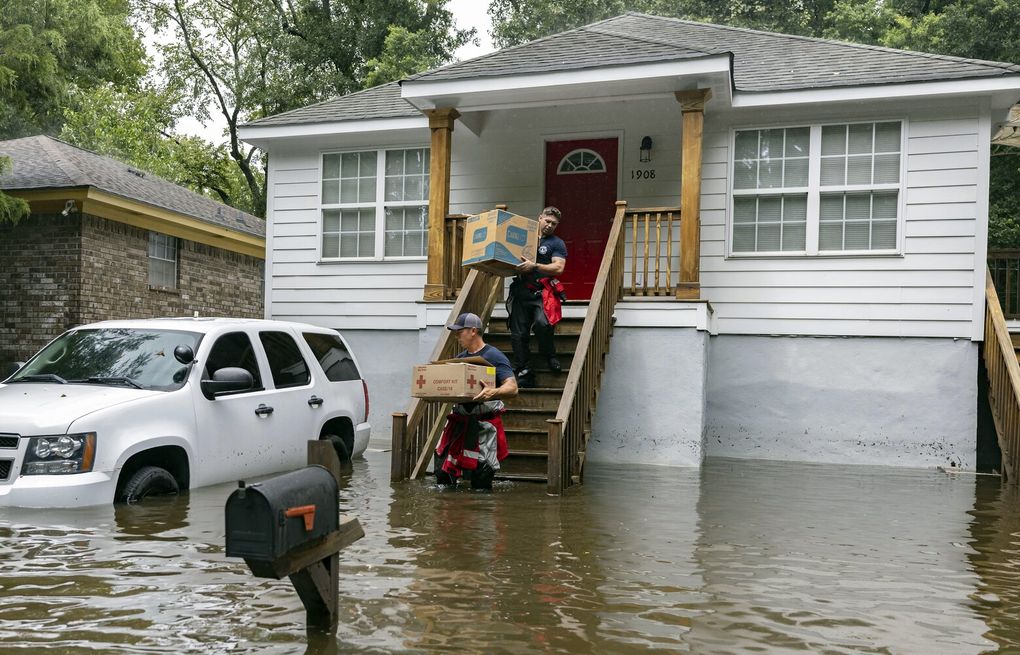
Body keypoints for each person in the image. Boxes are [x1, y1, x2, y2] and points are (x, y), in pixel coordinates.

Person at [434, 312, 518, 490]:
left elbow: (512, 388)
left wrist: (492, 392)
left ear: (473, 331)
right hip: (460, 422)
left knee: (481, 479)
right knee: (442, 474)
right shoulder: (460, 360)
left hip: (484, 424)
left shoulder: (494, 356)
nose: (456, 336)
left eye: (460, 331)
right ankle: (446, 515)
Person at [508, 207, 567, 388]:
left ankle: (549, 354)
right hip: (520, 291)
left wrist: (535, 266)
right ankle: (524, 370)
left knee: (543, 324)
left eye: (553, 224)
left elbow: (558, 268)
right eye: (547, 221)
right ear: (539, 218)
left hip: (541, 292)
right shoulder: (522, 236)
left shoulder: (557, 243)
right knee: (518, 334)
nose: (549, 226)